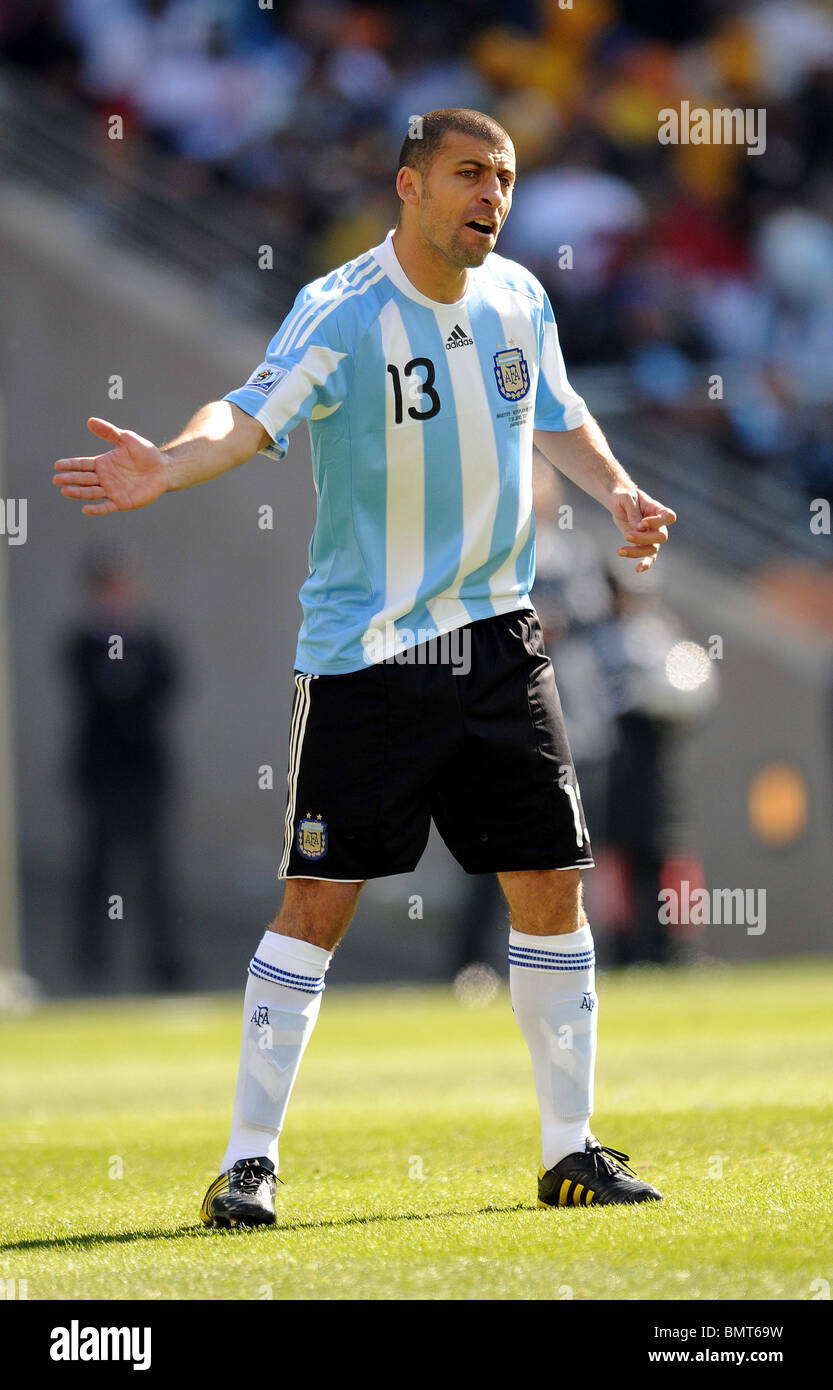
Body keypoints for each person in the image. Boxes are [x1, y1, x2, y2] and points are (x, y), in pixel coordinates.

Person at [53, 108, 676, 1227]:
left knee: (550, 883)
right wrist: (172, 464)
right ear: (408, 186)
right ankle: (249, 1162)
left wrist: (618, 492)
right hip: (368, 656)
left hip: (495, 638)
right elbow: (244, 417)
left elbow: (562, 418)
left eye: (505, 177)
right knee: (315, 903)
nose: (492, 193)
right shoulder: (339, 314)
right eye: (468, 173)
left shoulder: (518, 300)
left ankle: (568, 1146)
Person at [62, 545, 183, 988]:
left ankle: (163, 958)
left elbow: (166, 685)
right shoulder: (82, 642)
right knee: (97, 865)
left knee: (154, 867)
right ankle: (92, 958)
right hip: (102, 771)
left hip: (145, 769)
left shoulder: (150, 639)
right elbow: (96, 691)